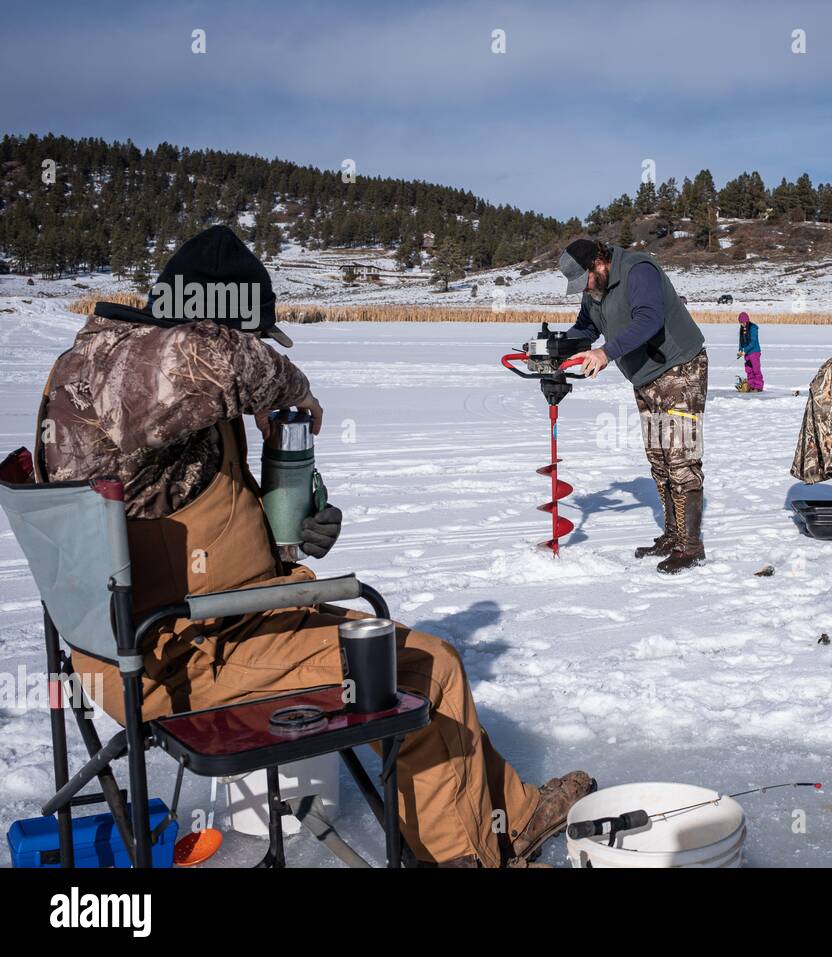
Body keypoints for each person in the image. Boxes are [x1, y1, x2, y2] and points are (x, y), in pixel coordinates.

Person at [35, 225, 593, 867]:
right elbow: (226, 363)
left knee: (412, 656)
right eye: (248, 331)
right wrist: (294, 390)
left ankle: (511, 818)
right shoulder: (116, 368)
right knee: (423, 668)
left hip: (200, 628)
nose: (252, 352)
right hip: (181, 657)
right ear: (211, 319)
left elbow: (195, 526)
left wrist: (292, 534)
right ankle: (465, 855)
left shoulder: (133, 387)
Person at [557, 239, 708, 573]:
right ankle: (673, 535)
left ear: (599, 263)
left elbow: (648, 320)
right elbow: (586, 327)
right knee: (659, 457)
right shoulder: (594, 290)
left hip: (680, 367)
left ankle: (691, 547)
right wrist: (555, 346)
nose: (584, 290)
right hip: (644, 376)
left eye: (585, 281)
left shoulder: (638, 270)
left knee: (681, 457)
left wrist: (606, 353)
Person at [736, 312, 764, 392]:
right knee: (749, 370)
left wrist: (745, 350)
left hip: (754, 352)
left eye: (743, 322)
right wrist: (740, 351)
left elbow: (753, 342)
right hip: (747, 353)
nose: (742, 324)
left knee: (756, 370)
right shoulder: (742, 329)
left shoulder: (753, 328)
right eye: (740, 323)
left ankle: (758, 387)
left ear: (747, 321)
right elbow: (741, 342)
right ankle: (751, 386)